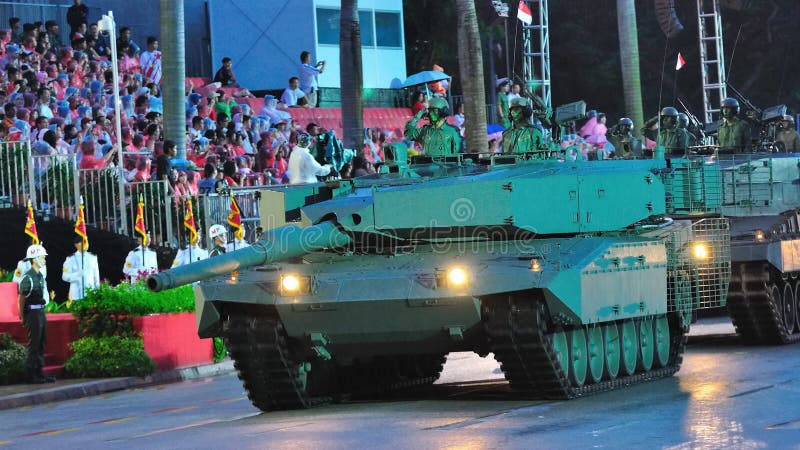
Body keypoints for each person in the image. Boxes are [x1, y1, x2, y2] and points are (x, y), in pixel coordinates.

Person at [17, 244, 56, 384]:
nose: (44, 259)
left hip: (40, 311)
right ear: (34, 259)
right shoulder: (28, 278)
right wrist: (22, 316)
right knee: (34, 344)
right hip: (32, 313)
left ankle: (40, 373)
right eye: (42, 257)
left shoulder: (39, 276)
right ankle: (31, 374)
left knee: (41, 343)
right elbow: (21, 299)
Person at [62, 236, 100, 301]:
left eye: (86, 242)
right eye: (83, 242)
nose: (85, 244)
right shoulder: (71, 259)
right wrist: (77, 275)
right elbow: (64, 276)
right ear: (76, 245)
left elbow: (96, 277)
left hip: (90, 295)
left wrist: (97, 292)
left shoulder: (93, 257)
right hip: (76, 295)